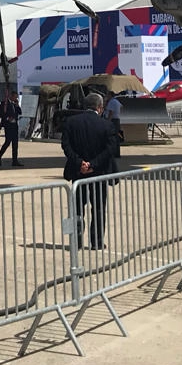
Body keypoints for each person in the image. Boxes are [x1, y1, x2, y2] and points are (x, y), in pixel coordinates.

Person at [60, 93, 121, 250]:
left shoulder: (71, 123)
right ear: (100, 108)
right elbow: (110, 149)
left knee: (77, 208)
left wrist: (80, 163)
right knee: (99, 207)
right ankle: (97, 241)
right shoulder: (107, 125)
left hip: (78, 172)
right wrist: (93, 164)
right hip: (99, 172)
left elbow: (66, 146)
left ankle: (77, 241)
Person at [0, 90, 21, 168]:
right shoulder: (5, 103)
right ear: (11, 96)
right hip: (8, 125)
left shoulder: (15, 104)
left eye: (16, 97)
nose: (16, 98)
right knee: (7, 142)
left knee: (15, 144)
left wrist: (17, 105)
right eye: (15, 97)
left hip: (15, 125)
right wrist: (7, 118)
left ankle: (15, 160)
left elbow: (20, 112)